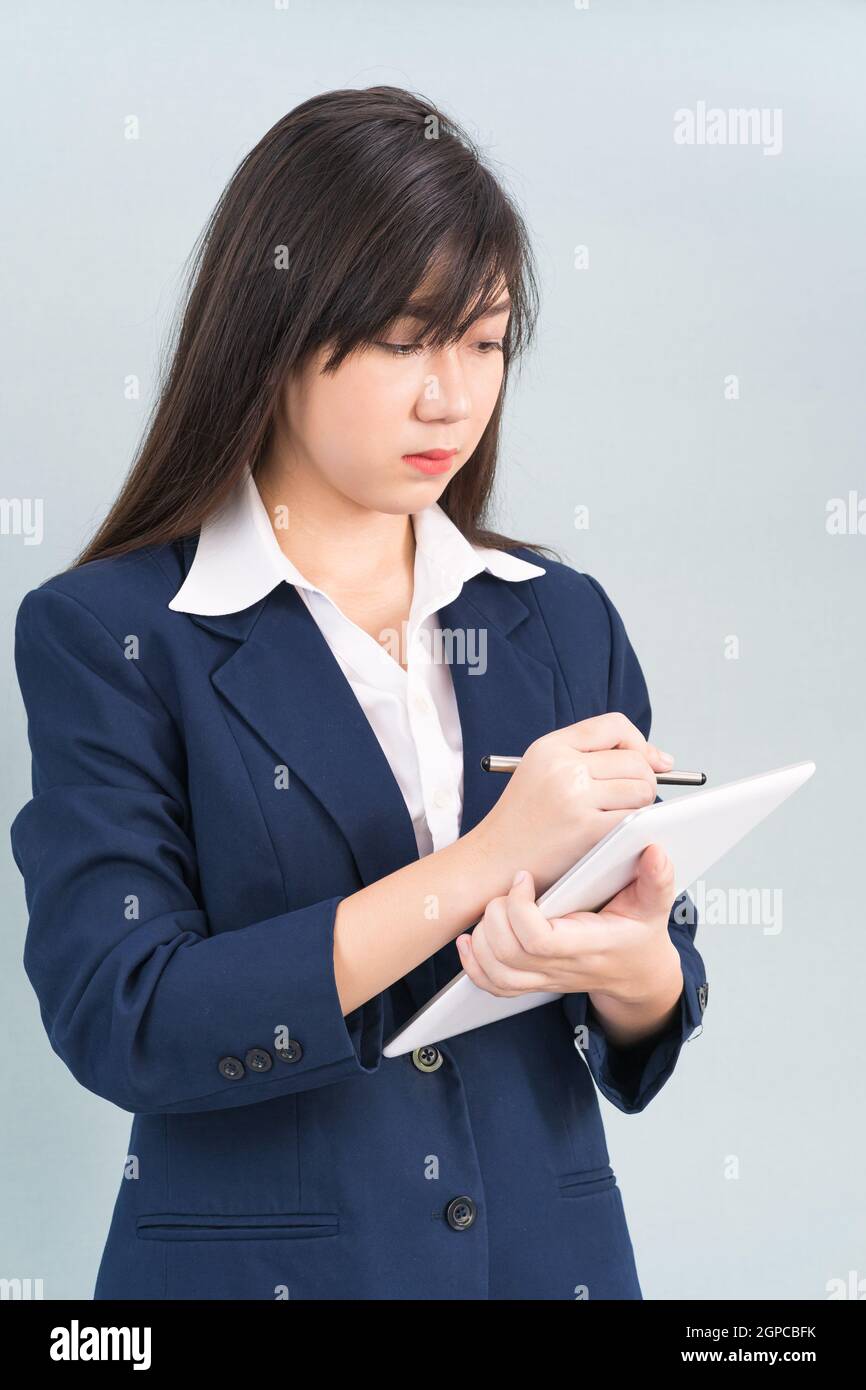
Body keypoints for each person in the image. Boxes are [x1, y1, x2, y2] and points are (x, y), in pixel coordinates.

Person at [9, 85, 708, 1301]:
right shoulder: (109, 634)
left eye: (484, 341)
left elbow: (651, 989)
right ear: (271, 329)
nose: (451, 394)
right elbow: (128, 1012)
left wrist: (637, 967)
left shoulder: (554, 614)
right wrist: (491, 859)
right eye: (401, 340)